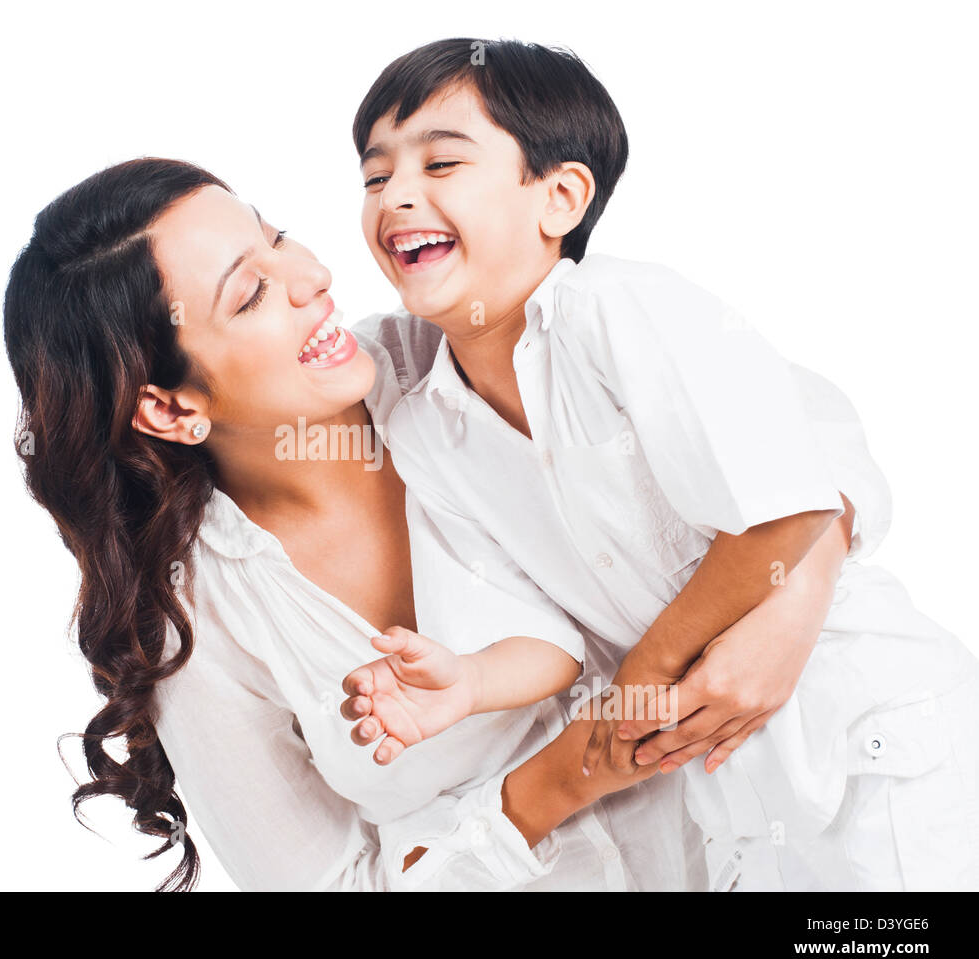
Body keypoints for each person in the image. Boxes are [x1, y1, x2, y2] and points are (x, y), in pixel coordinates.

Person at [1, 156, 877, 891]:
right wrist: (566, 778)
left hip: (796, 849)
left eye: (274, 235)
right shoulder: (200, 622)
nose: (312, 277)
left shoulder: (454, 353)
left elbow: (808, 440)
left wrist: (794, 599)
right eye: (251, 294)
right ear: (167, 406)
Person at [340, 37, 979, 890]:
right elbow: (546, 638)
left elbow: (789, 512)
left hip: (876, 735)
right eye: (376, 177)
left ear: (561, 197)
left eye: (442, 163)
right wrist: (469, 682)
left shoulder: (616, 308)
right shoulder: (423, 421)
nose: (397, 197)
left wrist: (643, 676)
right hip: (735, 797)